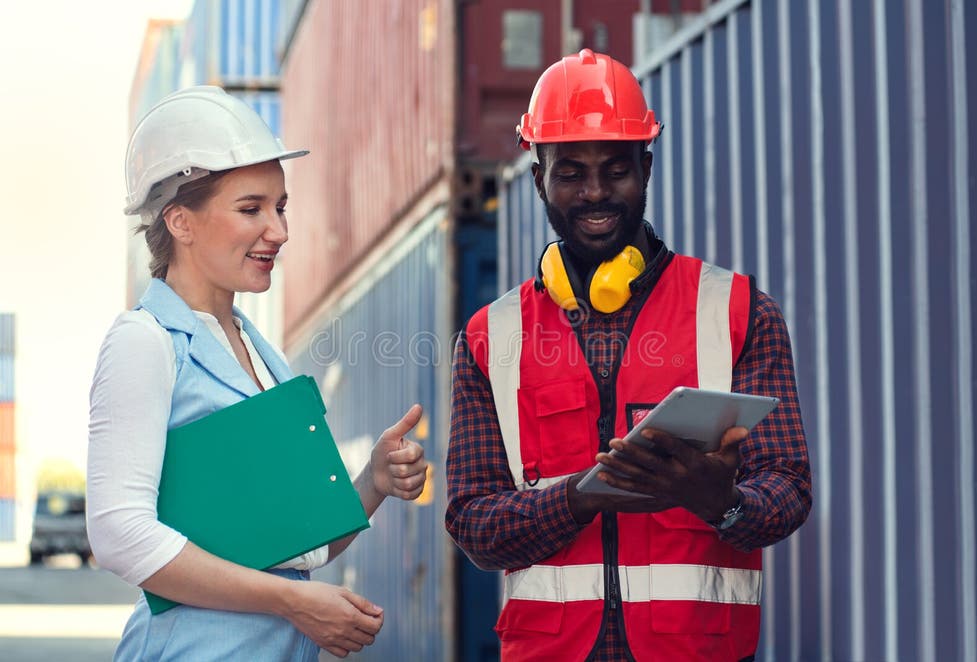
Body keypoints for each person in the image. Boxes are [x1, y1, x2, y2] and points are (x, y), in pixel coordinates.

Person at [445, 49, 811, 662]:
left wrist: (722, 502)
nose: (594, 193)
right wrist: (580, 497)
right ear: (539, 178)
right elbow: (476, 528)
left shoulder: (739, 311)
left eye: (615, 170)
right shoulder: (490, 338)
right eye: (570, 172)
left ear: (645, 168)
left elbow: (789, 493)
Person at [87, 86, 428, 661]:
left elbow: (297, 546)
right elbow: (119, 535)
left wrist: (374, 482)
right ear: (180, 222)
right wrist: (293, 604)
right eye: (251, 209)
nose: (279, 230)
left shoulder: (260, 350)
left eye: (280, 206)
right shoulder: (144, 343)